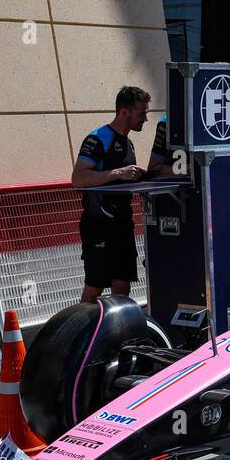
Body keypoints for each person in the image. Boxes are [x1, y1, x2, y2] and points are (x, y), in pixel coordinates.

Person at [71, 86, 165, 303]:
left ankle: (117, 333)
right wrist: (118, 172)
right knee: (95, 287)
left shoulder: (128, 143)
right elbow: (78, 178)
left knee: (122, 286)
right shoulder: (98, 138)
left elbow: (120, 179)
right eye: (142, 114)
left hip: (123, 223)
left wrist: (140, 176)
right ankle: (86, 334)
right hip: (99, 225)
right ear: (125, 112)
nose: (145, 119)